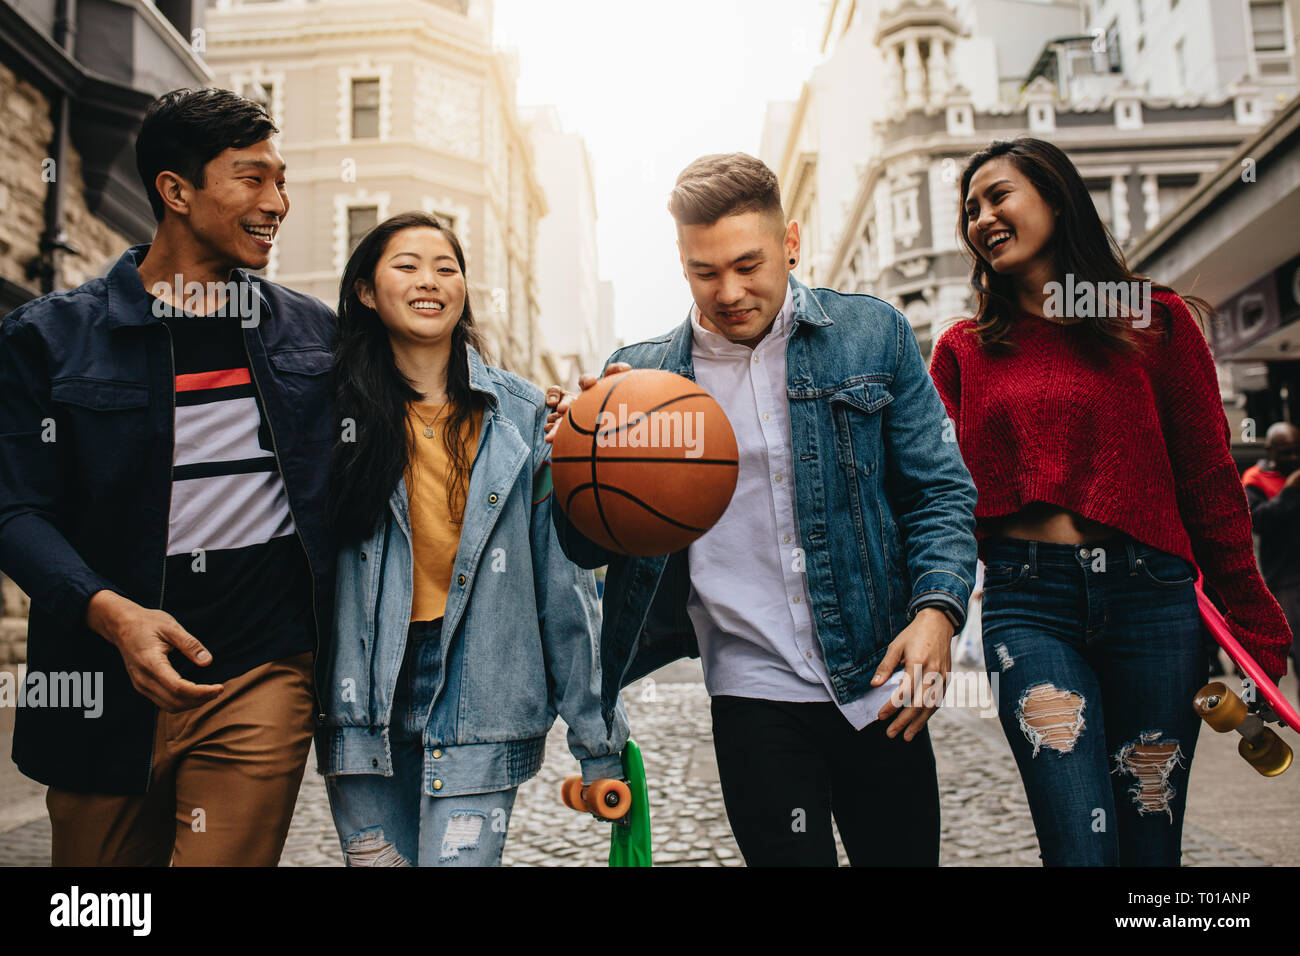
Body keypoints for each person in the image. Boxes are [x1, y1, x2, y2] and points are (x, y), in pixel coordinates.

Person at [547, 153, 978, 867]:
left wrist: (938, 612)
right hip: (751, 690)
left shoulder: (873, 334)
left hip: (880, 678)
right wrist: (575, 457)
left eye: (749, 264)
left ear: (792, 243)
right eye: (704, 271)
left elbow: (939, 489)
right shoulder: (643, 380)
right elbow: (588, 549)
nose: (730, 290)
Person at [929, 136, 1292, 866]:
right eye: (969, 208)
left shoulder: (1152, 319)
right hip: (1028, 608)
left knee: (1150, 844)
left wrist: (1253, 622)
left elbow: (1208, 480)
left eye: (998, 196)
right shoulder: (964, 349)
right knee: (1077, 846)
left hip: (1154, 603)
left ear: (1057, 199)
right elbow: (939, 498)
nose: (981, 218)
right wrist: (923, 606)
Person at [0, 88, 335, 865]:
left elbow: (429, 410)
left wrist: (577, 414)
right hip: (98, 688)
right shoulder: (46, 340)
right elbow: (14, 509)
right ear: (176, 191)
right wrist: (113, 615)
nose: (277, 202)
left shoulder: (314, 335)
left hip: (259, 674)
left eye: (281, 181)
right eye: (252, 179)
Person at [319, 211, 628, 866]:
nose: (429, 280)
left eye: (446, 267)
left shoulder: (522, 417)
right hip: (361, 700)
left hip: (482, 694)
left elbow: (563, 588)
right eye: (406, 265)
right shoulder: (326, 410)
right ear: (368, 292)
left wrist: (599, 745)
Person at [1242, 422, 1300, 695]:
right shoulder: (1255, 479)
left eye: (1297, 451)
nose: (1294, 458)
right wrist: (1289, 491)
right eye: (1287, 452)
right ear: (1270, 450)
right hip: (1286, 578)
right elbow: (1256, 520)